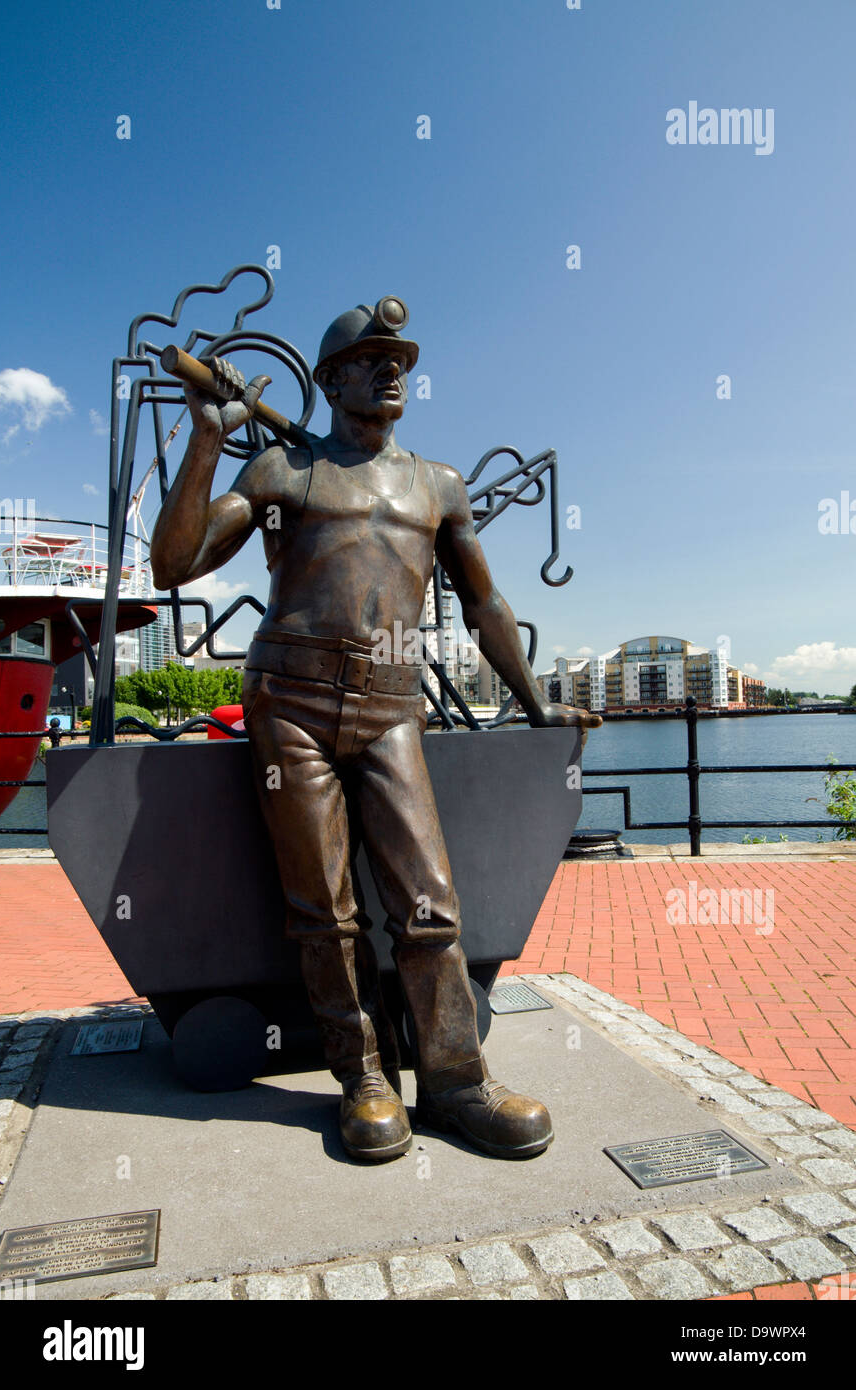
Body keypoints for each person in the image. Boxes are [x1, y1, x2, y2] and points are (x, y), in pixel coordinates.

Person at [151, 296, 601, 1162]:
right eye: (369, 358)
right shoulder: (284, 470)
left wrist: (538, 704)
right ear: (330, 379)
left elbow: (484, 604)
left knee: (429, 902)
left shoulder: (438, 485)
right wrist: (210, 436)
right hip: (293, 701)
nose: (391, 368)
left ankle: (456, 1080)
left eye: (400, 357)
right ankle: (362, 1077)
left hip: (393, 703)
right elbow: (175, 563)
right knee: (323, 908)